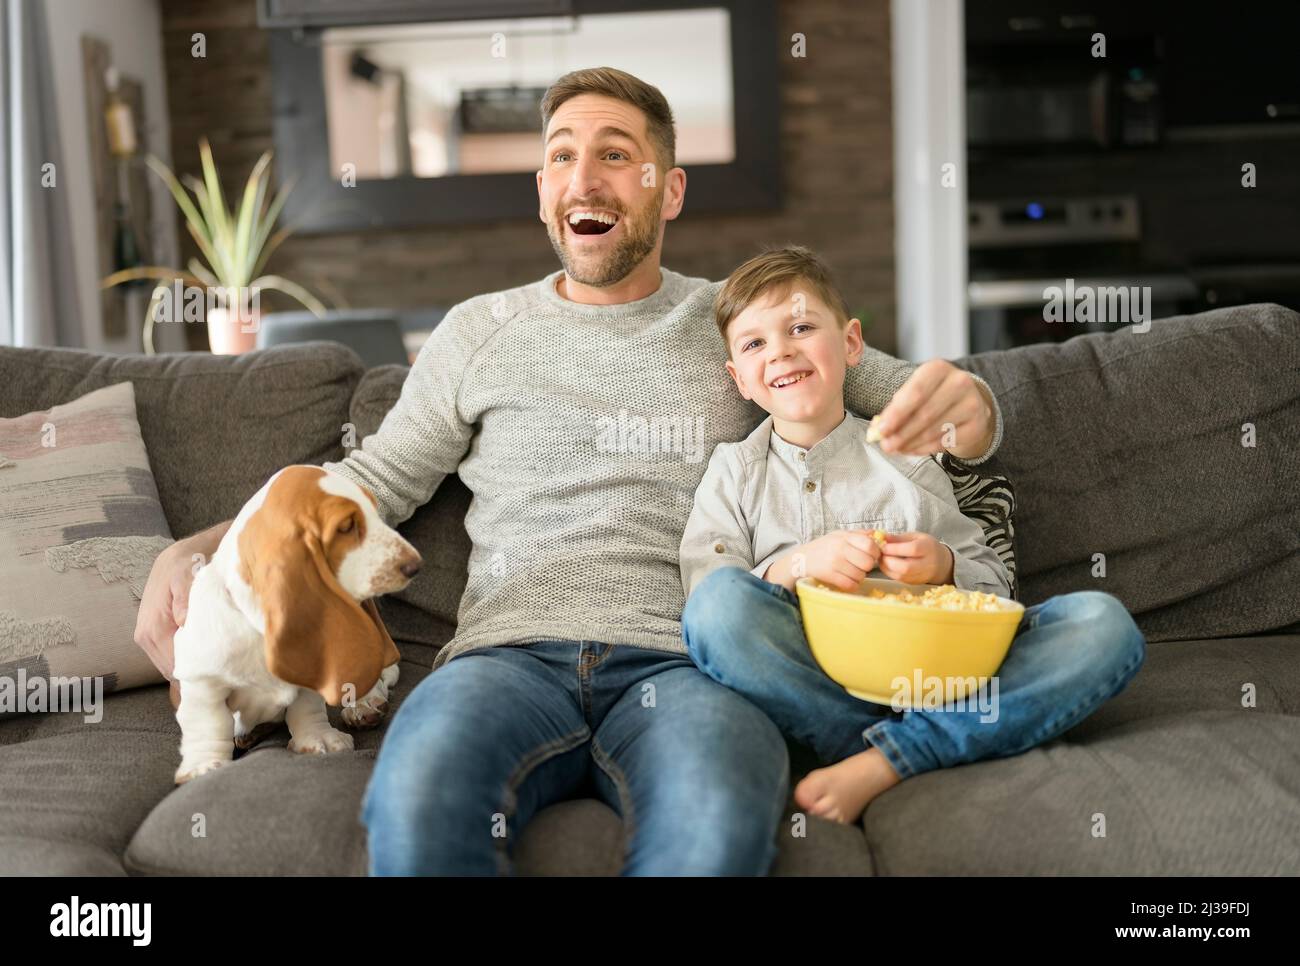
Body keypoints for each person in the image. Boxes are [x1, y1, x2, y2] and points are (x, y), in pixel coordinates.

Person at [136, 67, 1004, 875]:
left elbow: (922, 397)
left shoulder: (740, 323)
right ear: (545, 192)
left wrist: (974, 411)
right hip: (504, 661)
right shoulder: (480, 331)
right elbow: (374, 481)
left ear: (668, 189)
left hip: (686, 664)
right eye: (562, 157)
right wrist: (205, 549)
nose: (584, 178)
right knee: (417, 814)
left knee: (716, 831)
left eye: (616, 156)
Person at [679, 245, 1147, 825]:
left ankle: (884, 760)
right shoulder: (733, 469)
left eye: (800, 326)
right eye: (755, 344)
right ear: (739, 379)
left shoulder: (904, 455)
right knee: (718, 610)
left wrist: (944, 565)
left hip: (936, 671)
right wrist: (796, 565)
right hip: (815, 681)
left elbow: (995, 586)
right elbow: (708, 589)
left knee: (1103, 627)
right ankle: (914, 747)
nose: (781, 351)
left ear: (851, 344)